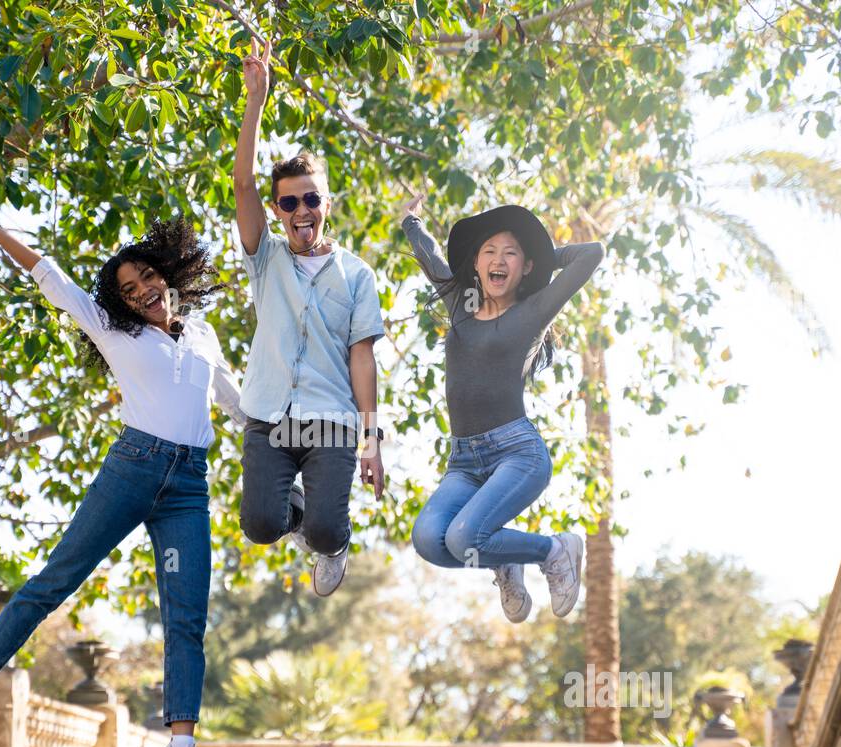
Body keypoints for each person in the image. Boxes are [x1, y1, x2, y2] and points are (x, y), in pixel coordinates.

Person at [0, 213, 248, 747]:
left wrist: (296, 466)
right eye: (129, 290)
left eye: (148, 278)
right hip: (133, 469)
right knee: (56, 580)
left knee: (186, 615)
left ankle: (180, 745)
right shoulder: (114, 330)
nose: (143, 292)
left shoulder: (202, 333)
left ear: (168, 275)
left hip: (188, 484)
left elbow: (237, 405)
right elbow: (49, 275)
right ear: (119, 304)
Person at [399, 193, 604, 622]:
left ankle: (554, 550)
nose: (498, 259)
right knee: (429, 540)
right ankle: (502, 559)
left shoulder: (534, 310)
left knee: (464, 536)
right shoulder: (461, 305)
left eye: (511, 253)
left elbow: (592, 253)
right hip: (464, 461)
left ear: (524, 267)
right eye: (489, 251)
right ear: (476, 264)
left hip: (517, 453)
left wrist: (544, 256)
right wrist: (410, 223)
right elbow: (430, 256)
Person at [233, 39, 386, 596]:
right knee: (261, 525)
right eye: (290, 203)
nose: (302, 211)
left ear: (326, 205)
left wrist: (371, 440)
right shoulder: (265, 258)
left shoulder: (357, 275)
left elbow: (362, 358)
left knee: (324, 531)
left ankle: (332, 546)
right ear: (278, 211)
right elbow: (243, 184)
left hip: (331, 420)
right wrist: (257, 100)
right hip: (270, 417)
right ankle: (292, 509)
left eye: (311, 200)